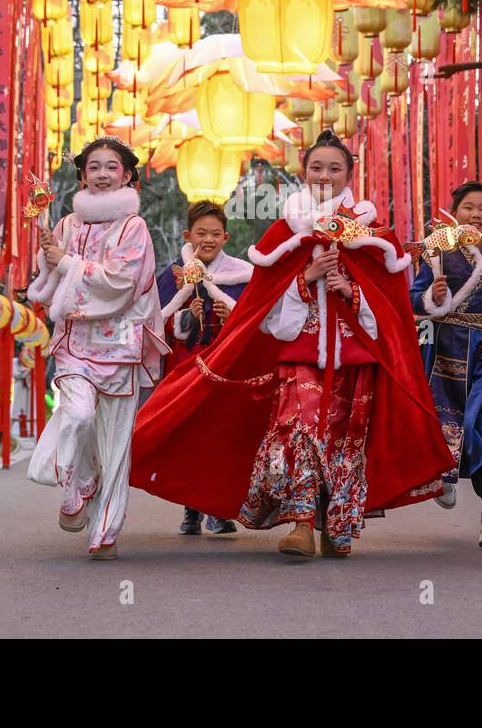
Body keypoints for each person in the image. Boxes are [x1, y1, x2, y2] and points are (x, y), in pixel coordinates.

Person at [131, 129, 453, 559]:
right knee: (297, 432)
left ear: (349, 174)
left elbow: (391, 313)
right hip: (299, 353)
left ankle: (337, 527)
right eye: (316, 168)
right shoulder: (284, 234)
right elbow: (265, 313)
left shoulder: (373, 235)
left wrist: (350, 290)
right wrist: (307, 278)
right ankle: (301, 522)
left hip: (355, 359)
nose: (325, 175)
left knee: (345, 441)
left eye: (334, 168)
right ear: (303, 174)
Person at [26, 137, 169, 560]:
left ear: (127, 176)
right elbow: (51, 283)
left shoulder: (134, 227)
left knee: (116, 443)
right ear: (83, 174)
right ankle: (78, 484)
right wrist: (47, 257)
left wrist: (65, 263)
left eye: (111, 167)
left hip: (121, 346)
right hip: (74, 343)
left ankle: (106, 532)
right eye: (93, 167)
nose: (102, 174)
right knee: (77, 414)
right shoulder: (67, 224)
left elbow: (121, 283)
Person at [410, 181, 482, 550]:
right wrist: (434, 296)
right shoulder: (436, 254)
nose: (475, 215)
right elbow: (415, 299)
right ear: (455, 212)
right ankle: (439, 475)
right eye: (468, 208)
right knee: (446, 423)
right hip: (445, 355)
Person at [155, 200, 253, 536]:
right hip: (188, 369)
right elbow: (157, 324)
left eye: (215, 233)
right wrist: (186, 315)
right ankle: (191, 508)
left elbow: (257, 322)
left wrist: (232, 319)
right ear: (188, 234)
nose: (207, 240)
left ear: (226, 237)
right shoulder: (174, 275)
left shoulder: (241, 274)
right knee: (191, 437)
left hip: (228, 371)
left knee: (222, 438)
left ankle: (219, 509)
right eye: (201, 233)